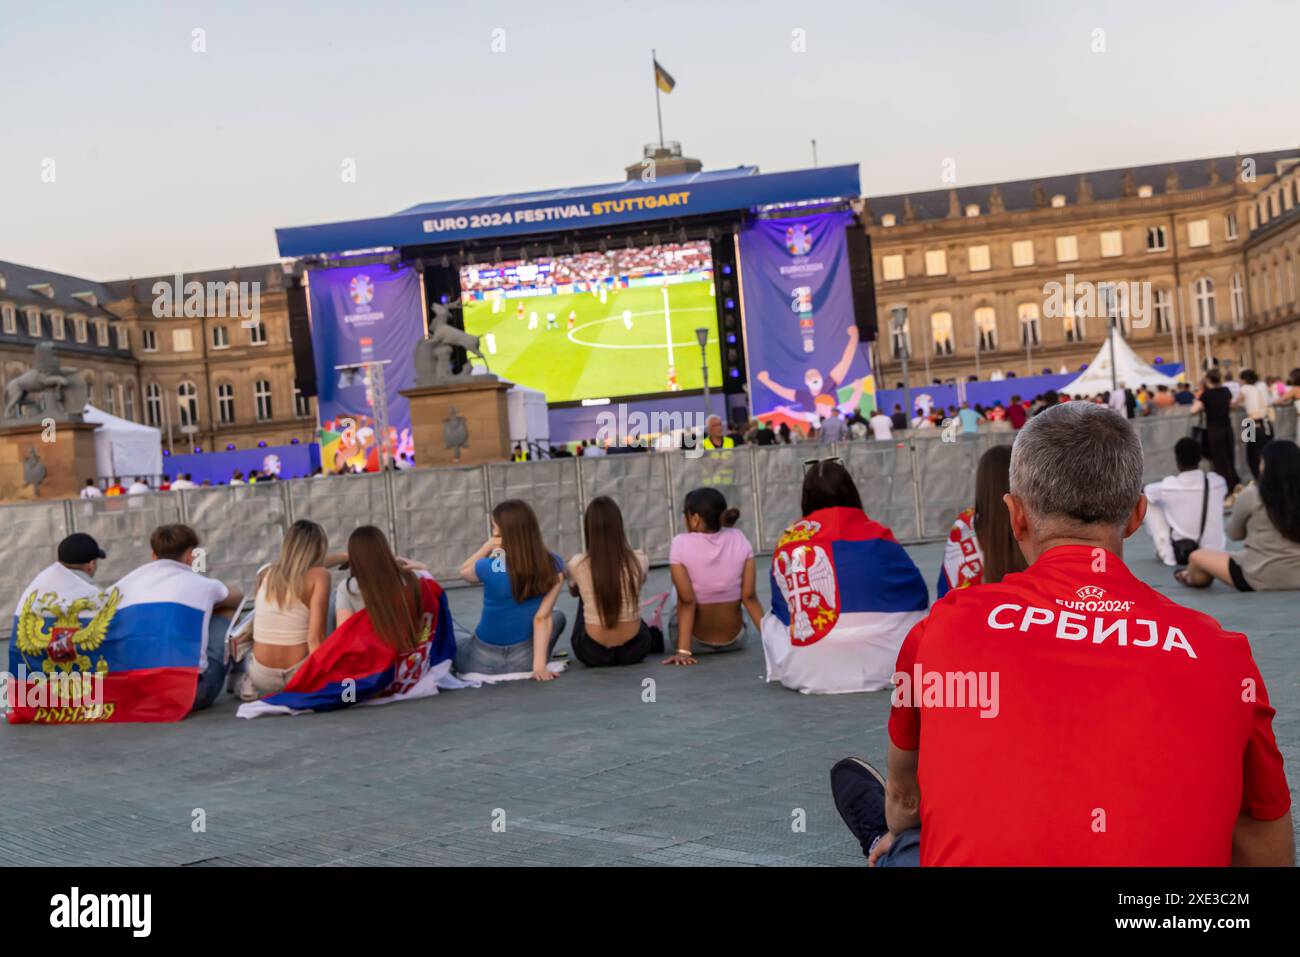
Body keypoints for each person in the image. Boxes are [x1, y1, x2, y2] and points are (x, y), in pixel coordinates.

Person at [830, 402, 1292, 866]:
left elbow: (906, 800)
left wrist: (902, 832)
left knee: (908, 840)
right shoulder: (1222, 655)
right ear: (1136, 516)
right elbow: (1264, 839)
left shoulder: (941, 630)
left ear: (1016, 517)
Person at [761, 459, 928, 694]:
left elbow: (782, 606)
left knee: (771, 619)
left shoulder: (790, 541)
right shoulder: (879, 533)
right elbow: (917, 592)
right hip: (889, 663)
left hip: (806, 668)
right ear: (851, 492)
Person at [130, 524, 243, 713]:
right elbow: (239, 598)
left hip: (143, 691)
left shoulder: (132, 586)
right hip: (192, 693)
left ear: (153, 556)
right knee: (228, 612)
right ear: (191, 555)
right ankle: (240, 674)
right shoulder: (203, 585)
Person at [456, 499, 566, 679]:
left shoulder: (490, 565)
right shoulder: (554, 564)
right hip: (525, 660)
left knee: (455, 631)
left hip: (479, 662)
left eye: (494, 527)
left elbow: (463, 572)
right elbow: (541, 618)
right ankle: (539, 658)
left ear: (501, 532)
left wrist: (487, 546)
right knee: (556, 615)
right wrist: (538, 668)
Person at [1178, 440, 1300, 591]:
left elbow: (1234, 534)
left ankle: (1189, 576)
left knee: (1196, 557)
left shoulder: (1252, 494)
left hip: (1258, 576)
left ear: (1266, 466)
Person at [241, 520, 343, 700]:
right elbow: (315, 639)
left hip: (261, 677)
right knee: (333, 601)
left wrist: (344, 557)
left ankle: (247, 680)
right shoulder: (321, 576)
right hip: (298, 675)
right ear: (318, 548)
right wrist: (326, 678)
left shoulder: (265, 573)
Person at [662, 489, 763, 665]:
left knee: (677, 589)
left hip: (695, 643)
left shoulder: (680, 543)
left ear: (694, 519)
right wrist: (773, 644)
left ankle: (684, 646)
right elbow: (749, 596)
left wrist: (684, 652)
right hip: (736, 640)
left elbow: (686, 601)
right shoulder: (740, 538)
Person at [566, 496, 655, 667]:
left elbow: (573, 592)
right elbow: (640, 583)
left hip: (592, 653)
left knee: (584, 594)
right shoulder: (639, 559)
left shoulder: (577, 564)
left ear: (588, 528)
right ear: (619, 526)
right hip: (635, 650)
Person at [935, 445, 1026, 596]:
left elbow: (945, 590)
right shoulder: (1036, 521)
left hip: (971, 615)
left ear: (982, 484)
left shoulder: (964, 526)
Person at [1142, 437, 1227, 566]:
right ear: (1200, 458)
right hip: (1216, 553)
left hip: (1182, 554)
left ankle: (1166, 553)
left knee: (1148, 500)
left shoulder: (1169, 486)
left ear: (1177, 461)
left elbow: (1144, 491)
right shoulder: (1218, 482)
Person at [1236, 369, 1274, 482]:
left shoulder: (1245, 389)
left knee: (1251, 455)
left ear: (1244, 379)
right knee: (1263, 454)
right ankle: (1266, 479)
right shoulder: (1258, 388)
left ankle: (1258, 480)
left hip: (1251, 424)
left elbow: (1236, 402)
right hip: (1265, 423)